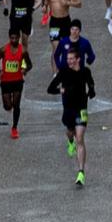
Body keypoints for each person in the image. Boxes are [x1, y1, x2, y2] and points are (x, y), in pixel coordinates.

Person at [46, 44, 95, 187]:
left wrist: (91, 91)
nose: (69, 61)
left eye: (72, 58)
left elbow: (91, 84)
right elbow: (50, 88)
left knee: (80, 137)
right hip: (68, 110)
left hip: (81, 109)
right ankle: (70, 141)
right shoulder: (63, 72)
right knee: (70, 133)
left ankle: (81, 172)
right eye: (68, 59)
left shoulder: (85, 71)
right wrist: (60, 90)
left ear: (78, 59)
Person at [0, 27, 33, 138]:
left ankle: (14, 128)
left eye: (16, 38)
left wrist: (24, 70)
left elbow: (30, 65)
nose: (14, 40)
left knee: (16, 105)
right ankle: (8, 105)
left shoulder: (23, 51)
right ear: (9, 37)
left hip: (17, 81)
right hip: (5, 81)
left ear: (19, 38)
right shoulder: (3, 50)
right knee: (7, 106)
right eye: (12, 38)